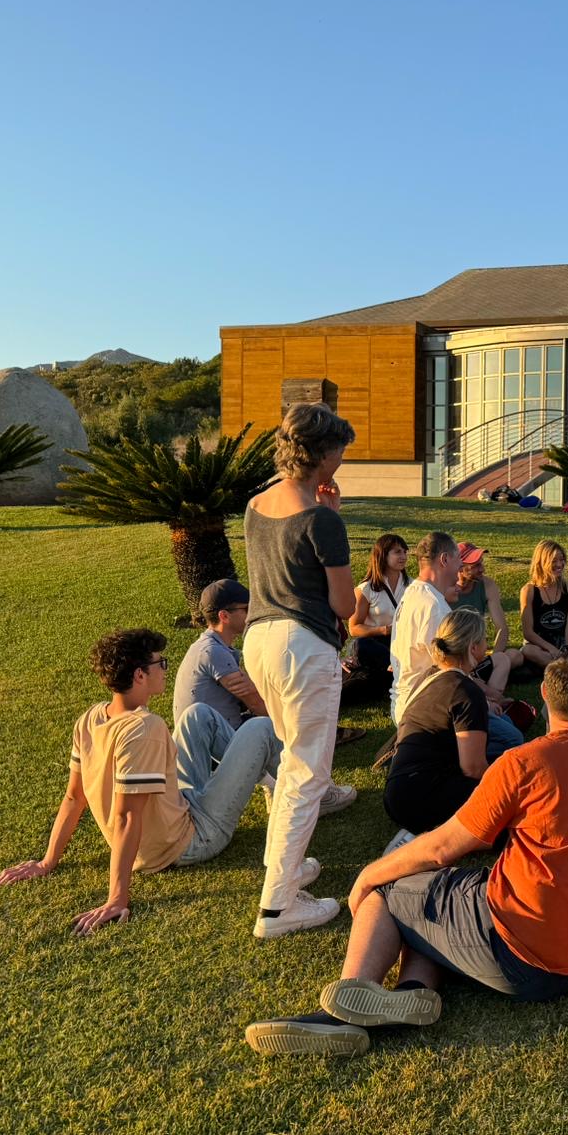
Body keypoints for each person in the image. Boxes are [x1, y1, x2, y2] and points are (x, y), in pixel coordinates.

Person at [243, 649, 568, 1058]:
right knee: (434, 909)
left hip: (518, 953)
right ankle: (412, 991)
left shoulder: (523, 763)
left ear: (544, 694)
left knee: (392, 891)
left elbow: (444, 847)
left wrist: (369, 877)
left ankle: (346, 1009)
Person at [0, 628, 294, 933]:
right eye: (160, 664)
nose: (166, 670)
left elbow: (75, 797)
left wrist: (47, 862)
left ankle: (279, 784)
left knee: (197, 715)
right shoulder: (144, 728)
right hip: (190, 841)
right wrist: (117, 898)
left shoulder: (91, 719)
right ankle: (307, 794)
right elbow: (126, 816)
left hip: (178, 810)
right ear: (140, 675)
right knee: (261, 729)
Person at [242, 402, 360, 939]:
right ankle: (278, 907)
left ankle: (283, 875)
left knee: (293, 768)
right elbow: (344, 608)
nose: (342, 458)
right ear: (323, 453)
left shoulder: (256, 504)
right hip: (303, 647)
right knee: (306, 775)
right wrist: (333, 518)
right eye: (339, 450)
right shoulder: (321, 518)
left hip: (259, 641)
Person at [384, 609, 492, 837]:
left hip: (397, 792)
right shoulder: (466, 691)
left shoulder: (429, 676)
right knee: (508, 797)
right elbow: (472, 768)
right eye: (484, 640)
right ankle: (424, 836)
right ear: (473, 647)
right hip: (424, 795)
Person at [172, 578, 269, 729]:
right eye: (247, 609)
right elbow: (257, 705)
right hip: (219, 744)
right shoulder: (214, 652)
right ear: (224, 616)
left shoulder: (206, 646)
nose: (253, 614)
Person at [389, 531, 461, 723]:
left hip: (403, 700)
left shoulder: (412, 592)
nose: (461, 567)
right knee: (509, 736)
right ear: (444, 559)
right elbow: (450, 670)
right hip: (423, 708)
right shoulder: (434, 606)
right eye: (458, 559)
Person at [451, 540, 526, 693]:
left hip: (478, 652)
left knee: (515, 656)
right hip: (456, 654)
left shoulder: (487, 585)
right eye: (476, 566)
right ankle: (489, 689)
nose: (482, 569)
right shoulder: (447, 590)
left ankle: (481, 677)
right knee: (505, 660)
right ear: (460, 567)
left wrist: (493, 658)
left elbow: (502, 628)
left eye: (481, 563)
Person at [344, 533, 408, 703]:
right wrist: (383, 630)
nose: (403, 556)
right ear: (383, 555)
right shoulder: (367, 589)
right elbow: (354, 628)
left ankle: (393, 674)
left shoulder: (412, 586)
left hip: (401, 644)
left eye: (404, 551)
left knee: (371, 680)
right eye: (397, 552)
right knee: (362, 645)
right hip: (375, 643)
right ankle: (400, 670)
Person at [518, 539, 568, 668]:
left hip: (561, 643)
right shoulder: (528, 591)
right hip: (539, 646)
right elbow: (528, 633)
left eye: (562, 559)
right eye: (554, 561)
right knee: (528, 651)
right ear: (541, 562)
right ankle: (564, 668)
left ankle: (559, 666)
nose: (560, 564)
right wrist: (551, 649)